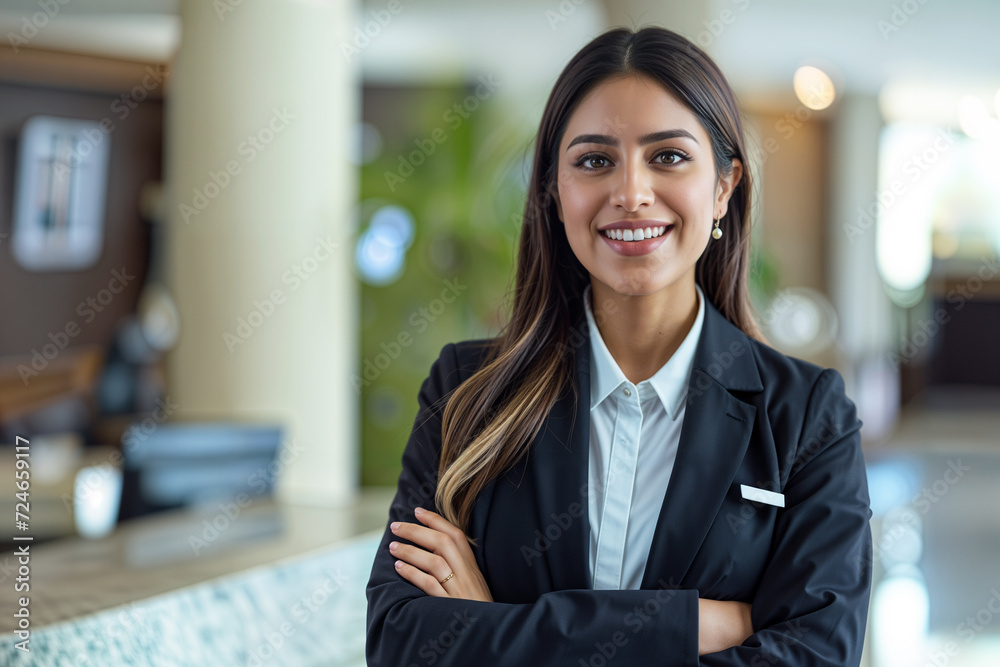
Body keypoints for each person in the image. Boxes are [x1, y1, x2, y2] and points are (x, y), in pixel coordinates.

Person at [366, 24, 873, 666]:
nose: (630, 193)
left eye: (667, 156)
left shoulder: (805, 416)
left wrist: (496, 625)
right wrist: (686, 627)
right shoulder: (468, 391)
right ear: (554, 191)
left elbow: (817, 656)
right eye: (595, 160)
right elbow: (402, 645)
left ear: (723, 187)